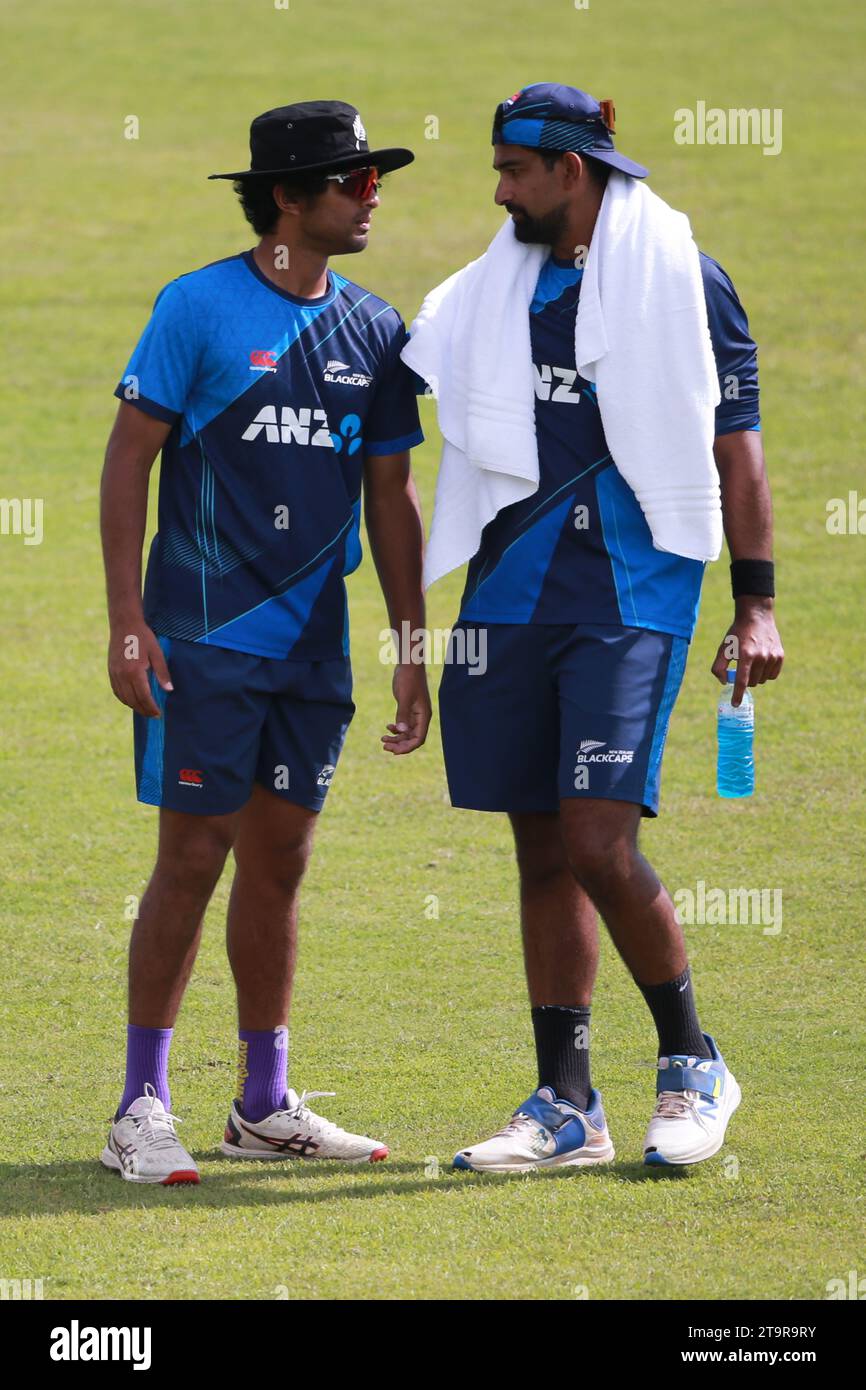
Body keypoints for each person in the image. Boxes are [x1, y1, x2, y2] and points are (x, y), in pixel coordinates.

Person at [408, 83, 783, 1171]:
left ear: (570, 170)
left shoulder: (681, 282)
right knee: (539, 846)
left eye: (514, 170)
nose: (497, 189)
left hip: (631, 593)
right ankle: (565, 1102)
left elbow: (735, 450)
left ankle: (689, 1061)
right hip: (513, 593)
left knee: (596, 839)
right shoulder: (497, 288)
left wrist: (754, 601)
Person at [99, 101, 430, 1184]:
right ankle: (141, 1104)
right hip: (200, 640)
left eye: (373, 178)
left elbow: (389, 493)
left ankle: (260, 1101)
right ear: (288, 198)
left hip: (310, 651)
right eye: (350, 180)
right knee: (190, 857)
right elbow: (127, 462)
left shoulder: (375, 329)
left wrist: (410, 641)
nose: (370, 194)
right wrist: (127, 621)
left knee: (279, 864)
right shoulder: (195, 309)